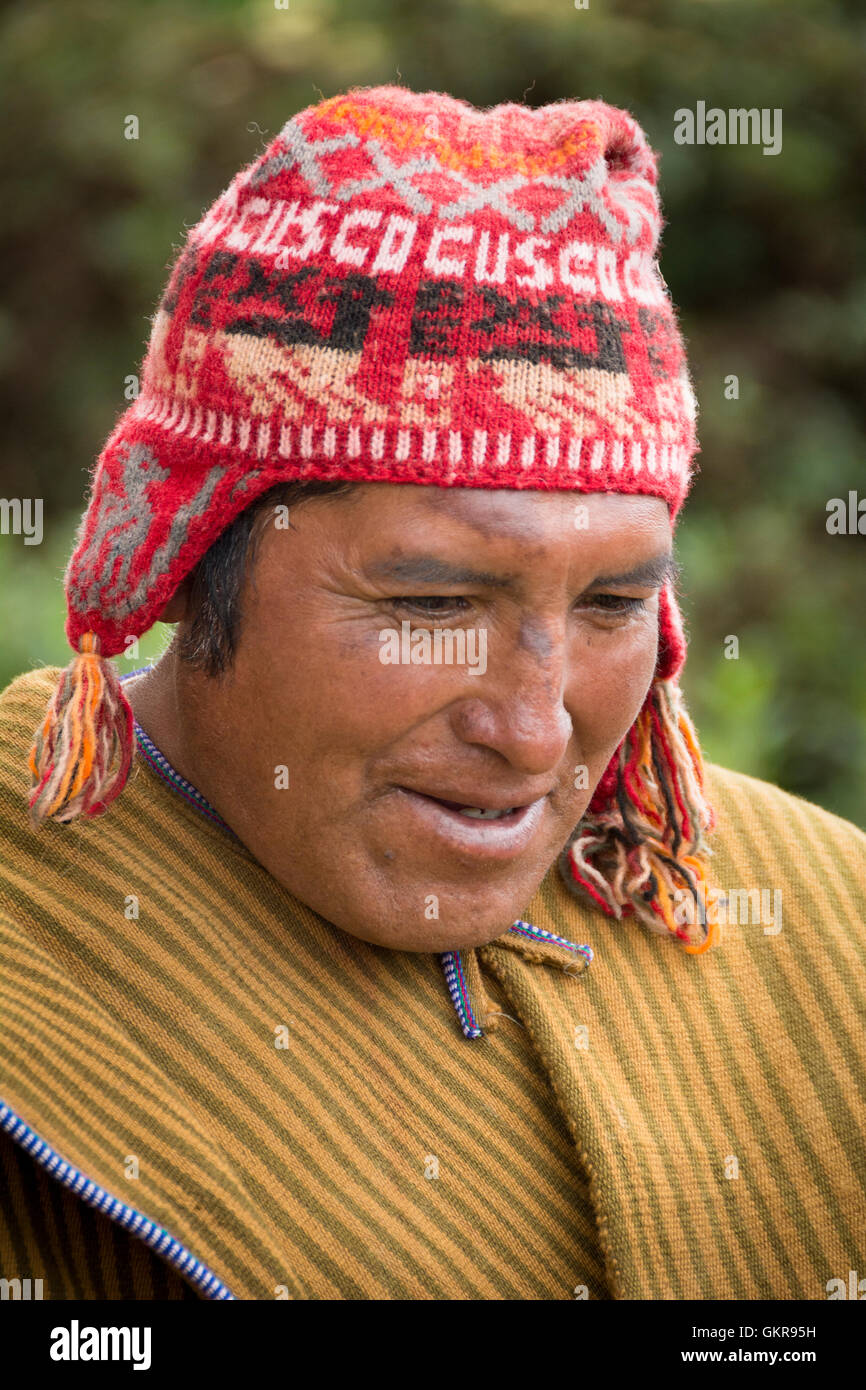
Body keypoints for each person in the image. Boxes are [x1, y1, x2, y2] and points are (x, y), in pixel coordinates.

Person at [1, 84, 864, 1302]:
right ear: (187, 559)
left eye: (612, 607)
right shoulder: (28, 953)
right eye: (430, 609)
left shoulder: (825, 922)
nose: (529, 731)